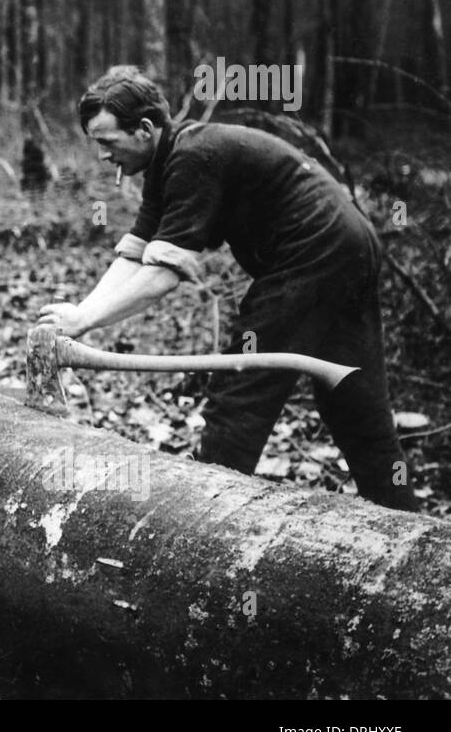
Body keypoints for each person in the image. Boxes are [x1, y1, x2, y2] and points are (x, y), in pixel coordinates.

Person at [36, 65, 417, 513]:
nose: (102, 156)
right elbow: (137, 255)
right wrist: (80, 314)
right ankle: (404, 520)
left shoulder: (193, 157)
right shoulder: (168, 161)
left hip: (316, 250)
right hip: (351, 245)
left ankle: (202, 523)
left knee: (242, 392)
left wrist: (84, 320)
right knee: (354, 402)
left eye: (106, 142)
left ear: (143, 130)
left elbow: (163, 275)